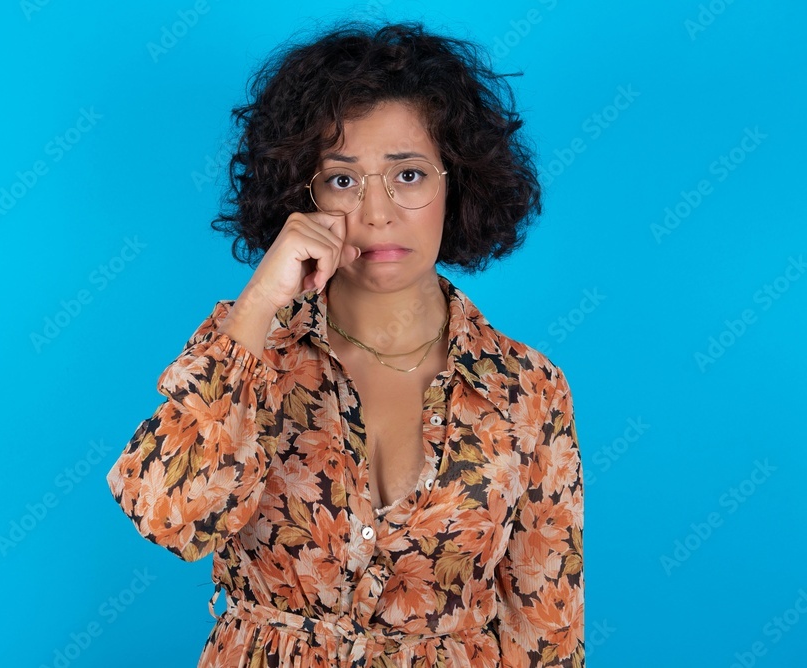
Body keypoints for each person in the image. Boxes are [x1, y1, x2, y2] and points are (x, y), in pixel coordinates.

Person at [107, 20, 584, 667]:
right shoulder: (253, 350)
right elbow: (167, 515)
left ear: (457, 181)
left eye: (409, 175)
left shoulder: (528, 387)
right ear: (299, 193)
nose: (377, 211)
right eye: (342, 179)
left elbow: (545, 636)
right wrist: (257, 306)